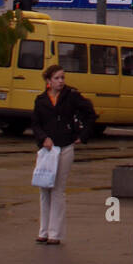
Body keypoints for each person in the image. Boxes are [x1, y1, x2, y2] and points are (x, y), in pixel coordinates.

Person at [31, 64, 96, 244]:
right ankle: (43, 231)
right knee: (44, 188)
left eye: (62, 78)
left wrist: (82, 136)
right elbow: (35, 123)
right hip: (47, 150)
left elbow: (91, 114)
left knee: (58, 189)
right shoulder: (41, 100)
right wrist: (43, 138)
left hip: (65, 147)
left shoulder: (72, 96)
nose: (61, 81)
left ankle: (55, 234)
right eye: (57, 78)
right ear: (48, 81)